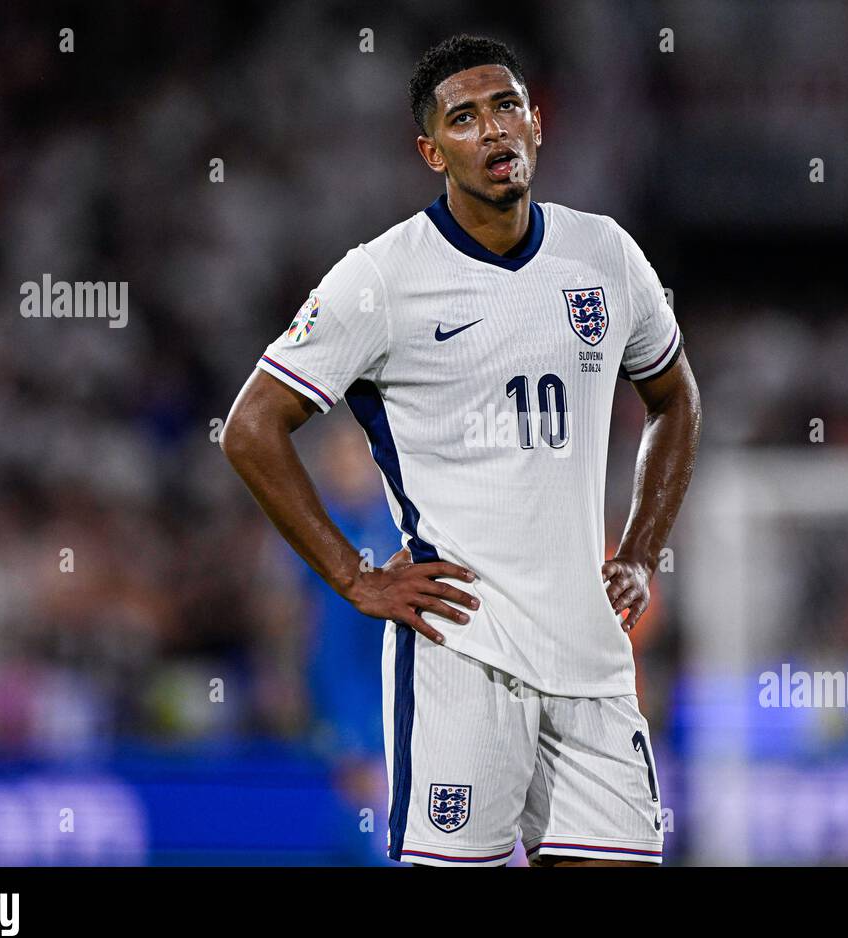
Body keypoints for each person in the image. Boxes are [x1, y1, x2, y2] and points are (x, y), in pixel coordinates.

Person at [221, 34, 701, 866]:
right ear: (432, 150)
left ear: (537, 122)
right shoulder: (381, 278)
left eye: (506, 106)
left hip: (591, 657)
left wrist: (639, 550)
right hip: (461, 653)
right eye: (465, 117)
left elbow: (676, 397)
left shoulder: (605, 253)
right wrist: (354, 576)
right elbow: (250, 427)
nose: (493, 129)